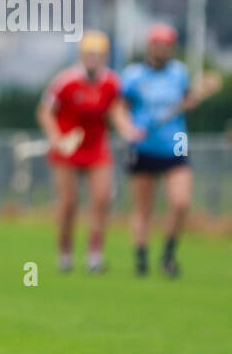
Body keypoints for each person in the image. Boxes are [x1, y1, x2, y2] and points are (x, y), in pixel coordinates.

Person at [121, 23, 222, 276]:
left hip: (175, 142)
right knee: (143, 207)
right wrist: (129, 129)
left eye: (166, 45)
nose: (161, 50)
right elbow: (119, 107)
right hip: (142, 145)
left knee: (181, 202)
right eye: (158, 44)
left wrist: (192, 101)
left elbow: (188, 99)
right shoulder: (133, 76)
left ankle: (168, 255)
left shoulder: (179, 73)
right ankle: (142, 259)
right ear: (149, 46)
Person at [36, 32, 142, 273]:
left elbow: (116, 111)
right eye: (89, 54)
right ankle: (65, 253)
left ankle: (95, 255)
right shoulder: (65, 81)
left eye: (98, 55)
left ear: (105, 57)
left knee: (102, 199)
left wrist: (129, 130)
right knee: (68, 204)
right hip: (67, 149)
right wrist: (56, 138)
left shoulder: (111, 82)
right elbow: (44, 112)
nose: (93, 59)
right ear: (81, 55)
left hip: (96, 148)